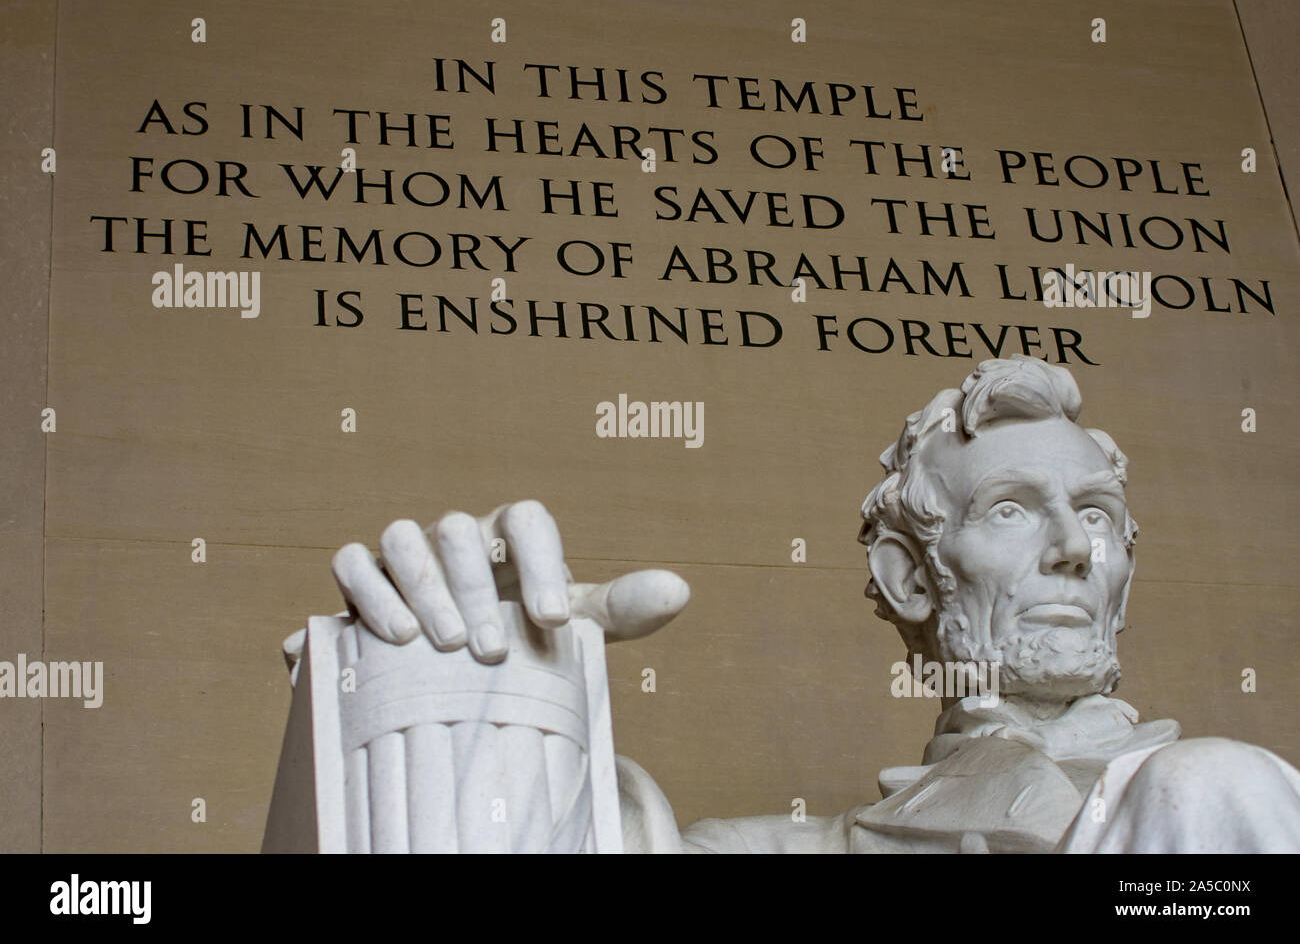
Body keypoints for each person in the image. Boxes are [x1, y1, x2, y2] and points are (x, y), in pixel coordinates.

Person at [309, 355, 1300, 852]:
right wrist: (452, 696)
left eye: (1097, 514)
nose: (1076, 548)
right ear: (914, 577)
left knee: (1206, 784)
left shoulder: (1219, 797)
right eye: (1012, 511)